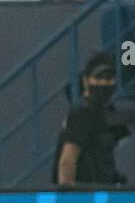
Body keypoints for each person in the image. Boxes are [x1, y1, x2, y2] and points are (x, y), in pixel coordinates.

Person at [53, 52, 129, 186]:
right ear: (86, 80)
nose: (104, 83)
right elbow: (68, 159)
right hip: (84, 196)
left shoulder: (104, 112)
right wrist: (68, 194)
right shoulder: (81, 112)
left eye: (109, 78)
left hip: (102, 192)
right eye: (98, 78)